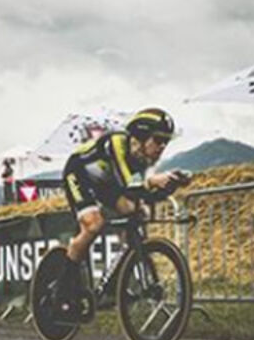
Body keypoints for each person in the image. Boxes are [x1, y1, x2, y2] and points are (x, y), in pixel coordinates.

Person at [56, 107, 190, 311]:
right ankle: (62, 291)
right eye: (158, 139)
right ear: (140, 136)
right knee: (93, 225)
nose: (162, 146)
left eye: (166, 141)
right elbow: (132, 186)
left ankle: (113, 285)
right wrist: (154, 182)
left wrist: (171, 184)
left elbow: (140, 192)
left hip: (106, 182)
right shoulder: (116, 143)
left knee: (139, 213)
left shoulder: (145, 157)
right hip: (79, 173)